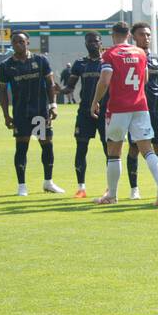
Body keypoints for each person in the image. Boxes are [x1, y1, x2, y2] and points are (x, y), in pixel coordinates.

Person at [89, 21, 158, 205]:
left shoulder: (110, 54)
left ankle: (111, 195)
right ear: (129, 35)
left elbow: (104, 80)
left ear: (113, 35)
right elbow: (146, 78)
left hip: (118, 108)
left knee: (114, 152)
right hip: (141, 106)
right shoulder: (141, 53)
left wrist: (95, 101)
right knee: (147, 150)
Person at [0, 31, 62, 196]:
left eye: (21, 41)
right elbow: (3, 92)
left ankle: (48, 182)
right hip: (21, 114)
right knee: (21, 147)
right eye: (15, 42)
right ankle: (22, 186)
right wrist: (6, 115)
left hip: (40, 112)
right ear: (11, 45)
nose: (18, 44)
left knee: (46, 144)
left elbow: (50, 84)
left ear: (27, 42)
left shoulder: (40, 61)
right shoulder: (6, 65)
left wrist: (53, 105)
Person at [124, 22, 158, 200]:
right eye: (142, 34)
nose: (146, 38)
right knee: (134, 149)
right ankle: (134, 189)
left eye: (148, 35)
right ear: (134, 37)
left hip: (157, 110)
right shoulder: (129, 59)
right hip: (137, 110)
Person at [62, 32, 104, 197]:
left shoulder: (108, 61)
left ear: (101, 43)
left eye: (95, 41)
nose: (92, 44)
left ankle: (110, 187)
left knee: (109, 148)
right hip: (85, 111)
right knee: (81, 148)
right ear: (85, 44)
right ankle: (81, 188)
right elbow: (70, 87)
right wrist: (58, 90)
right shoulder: (80, 63)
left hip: (104, 111)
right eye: (89, 41)